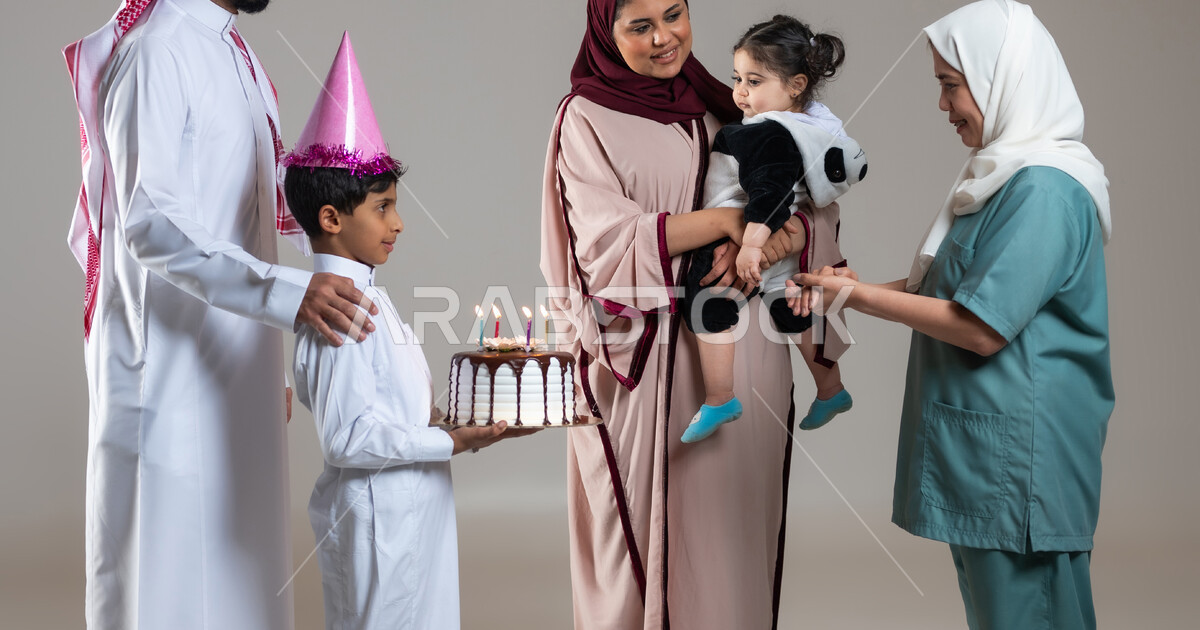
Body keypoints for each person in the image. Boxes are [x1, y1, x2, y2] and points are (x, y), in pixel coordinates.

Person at [789, 1, 1113, 627]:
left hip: (1023, 467)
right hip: (992, 460)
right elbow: (946, 291)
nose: (942, 104)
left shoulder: (1045, 189)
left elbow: (981, 327)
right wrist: (843, 291)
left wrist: (854, 297)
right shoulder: (1002, 179)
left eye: (949, 84)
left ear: (1001, 79)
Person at [64, 1, 379, 628]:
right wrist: (289, 295)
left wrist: (271, 367)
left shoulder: (235, 52)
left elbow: (246, 224)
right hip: (168, 372)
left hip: (239, 361)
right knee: (166, 577)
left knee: (246, 566)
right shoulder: (157, 50)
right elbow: (150, 219)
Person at [540, 1, 811, 627]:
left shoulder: (726, 99)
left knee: (729, 539)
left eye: (674, 14)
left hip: (742, 356)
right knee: (638, 545)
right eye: (640, 27)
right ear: (606, 34)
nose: (665, 38)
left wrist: (772, 241)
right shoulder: (586, 117)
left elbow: (809, 201)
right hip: (644, 360)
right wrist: (722, 222)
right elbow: (602, 246)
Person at [283, 33, 535, 630]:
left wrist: (452, 422)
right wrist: (455, 442)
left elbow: (386, 409)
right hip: (377, 521)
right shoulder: (337, 308)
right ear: (331, 218)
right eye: (384, 208)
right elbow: (348, 440)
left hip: (413, 507)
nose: (399, 223)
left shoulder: (371, 293)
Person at [681, 15, 867, 443]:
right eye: (737, 78)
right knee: (793, 311)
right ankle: (830, 389)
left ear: (796, 84)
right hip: (796, 241)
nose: (740, 92)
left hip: (753, 232)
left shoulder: (767, 132)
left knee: (707, 300)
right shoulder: (817, 125)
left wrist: (749, 246)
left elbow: (770, 192)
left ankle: (719, 397)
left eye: (755, 81)